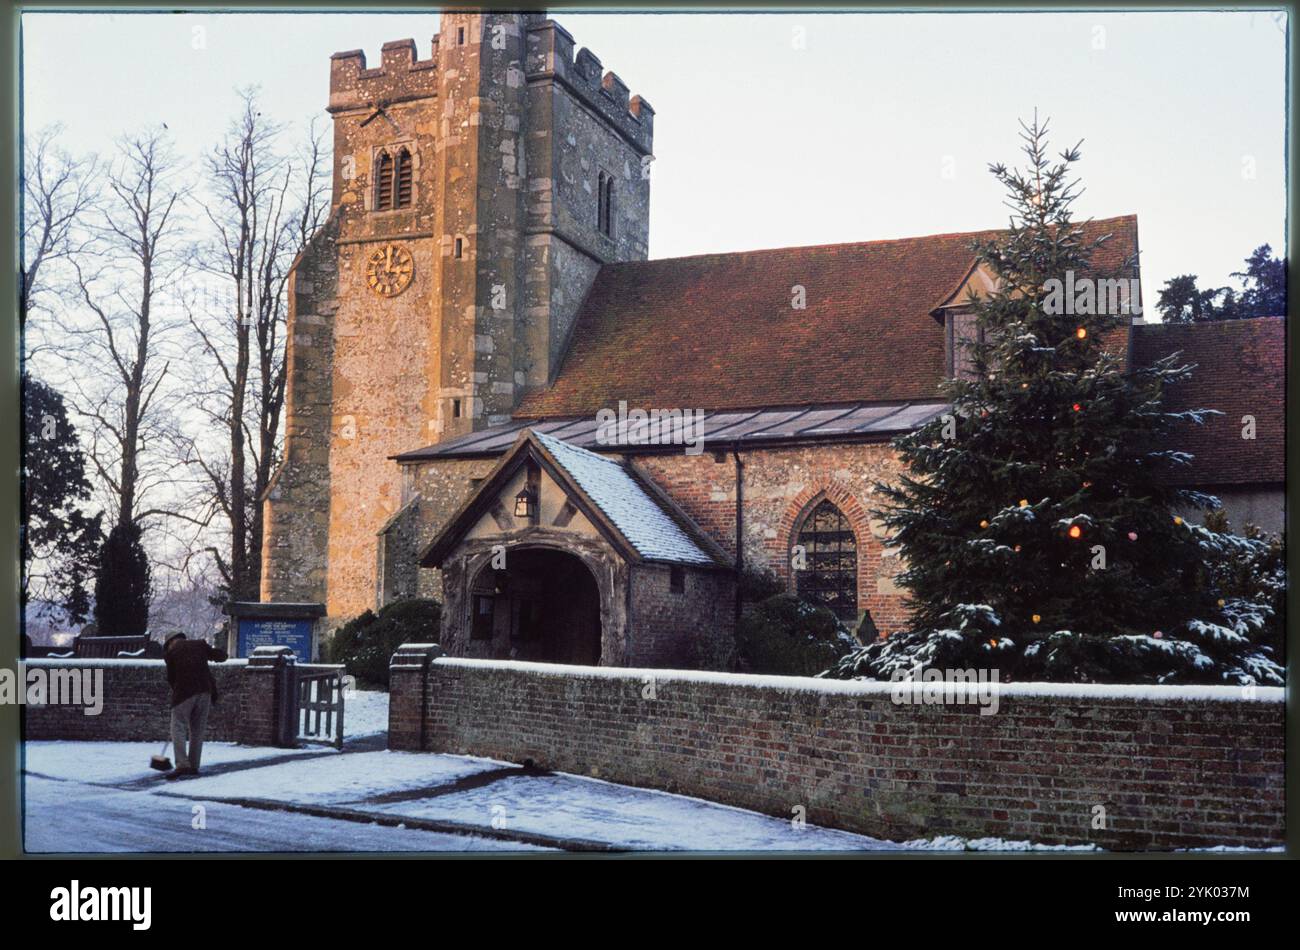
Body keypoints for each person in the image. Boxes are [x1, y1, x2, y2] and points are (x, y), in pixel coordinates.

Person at [162, 632, 228, 780]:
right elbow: (221, 656)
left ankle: (182, 764)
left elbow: (171, 679)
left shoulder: (171, 653)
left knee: (177, 727)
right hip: (205, 691)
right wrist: (221, 653)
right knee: (197, 730)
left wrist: (176, 697)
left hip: (184, 693)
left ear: (171, 642)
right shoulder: (199, 645)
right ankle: (193, 765)